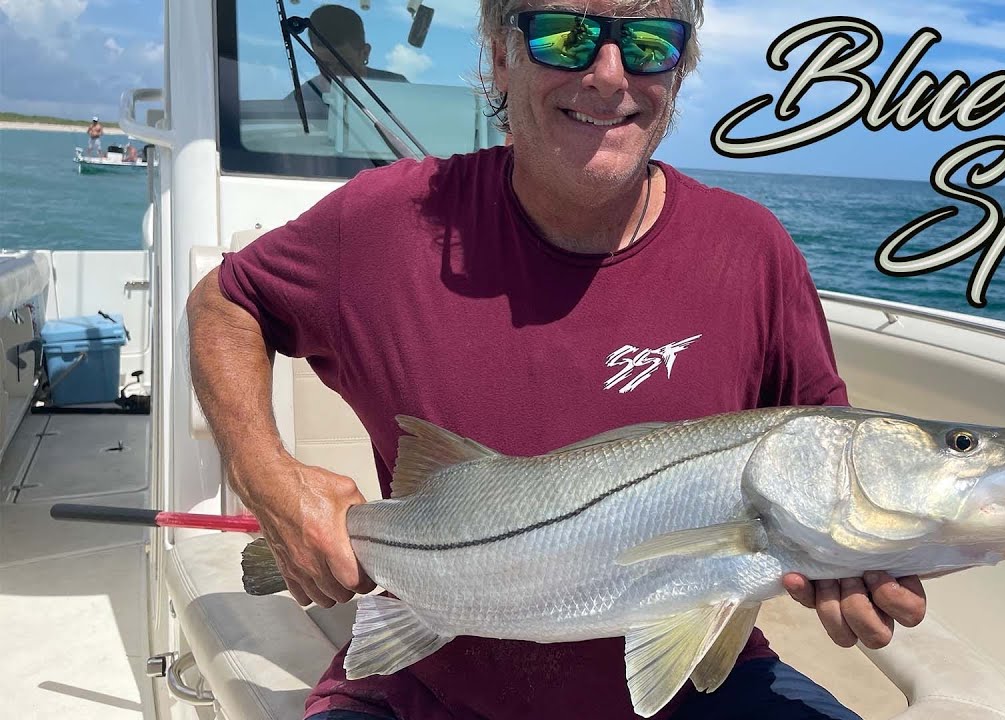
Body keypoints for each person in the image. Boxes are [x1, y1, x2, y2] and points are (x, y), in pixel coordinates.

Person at [188, 2, 928, 719]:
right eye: (565, 36)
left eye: (647, 44)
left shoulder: (753, 250)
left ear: (679, 67)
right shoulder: (385, 222)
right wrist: (265, 476)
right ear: (502, 55)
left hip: (702, 690)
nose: (610, 74)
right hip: (428, 687)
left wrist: (855, 566)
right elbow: (225, 301)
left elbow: (825, 464)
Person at [291, 3, 409, 105]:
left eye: (343, 64)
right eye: (324, 65)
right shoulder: (301, 101)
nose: (334, 73)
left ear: (365, 53)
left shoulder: (399, 89)